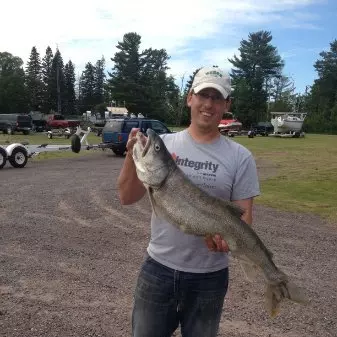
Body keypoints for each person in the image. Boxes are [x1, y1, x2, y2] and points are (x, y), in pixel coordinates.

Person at [117, 66, 260, 337]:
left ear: (226, 105)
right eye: (202, 94)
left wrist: (227, 242)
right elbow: (126, 197)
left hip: (210, 278)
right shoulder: (164, 145)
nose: (208, 104)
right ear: (189, 98)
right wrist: (130, 157)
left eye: (216, 98)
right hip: (157, 270)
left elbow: (244, 221)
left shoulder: (241, 157)